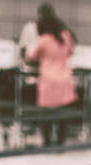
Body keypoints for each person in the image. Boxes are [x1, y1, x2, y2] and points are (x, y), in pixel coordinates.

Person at [26, 3, 77, 146]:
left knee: (46, 114)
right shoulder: (65, 36)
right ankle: (61, 142)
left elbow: (30, 57)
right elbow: (71, 51)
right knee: (62, 114)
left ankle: (47, 142)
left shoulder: (43, 40)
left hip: (48, 80)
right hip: (65, 79)